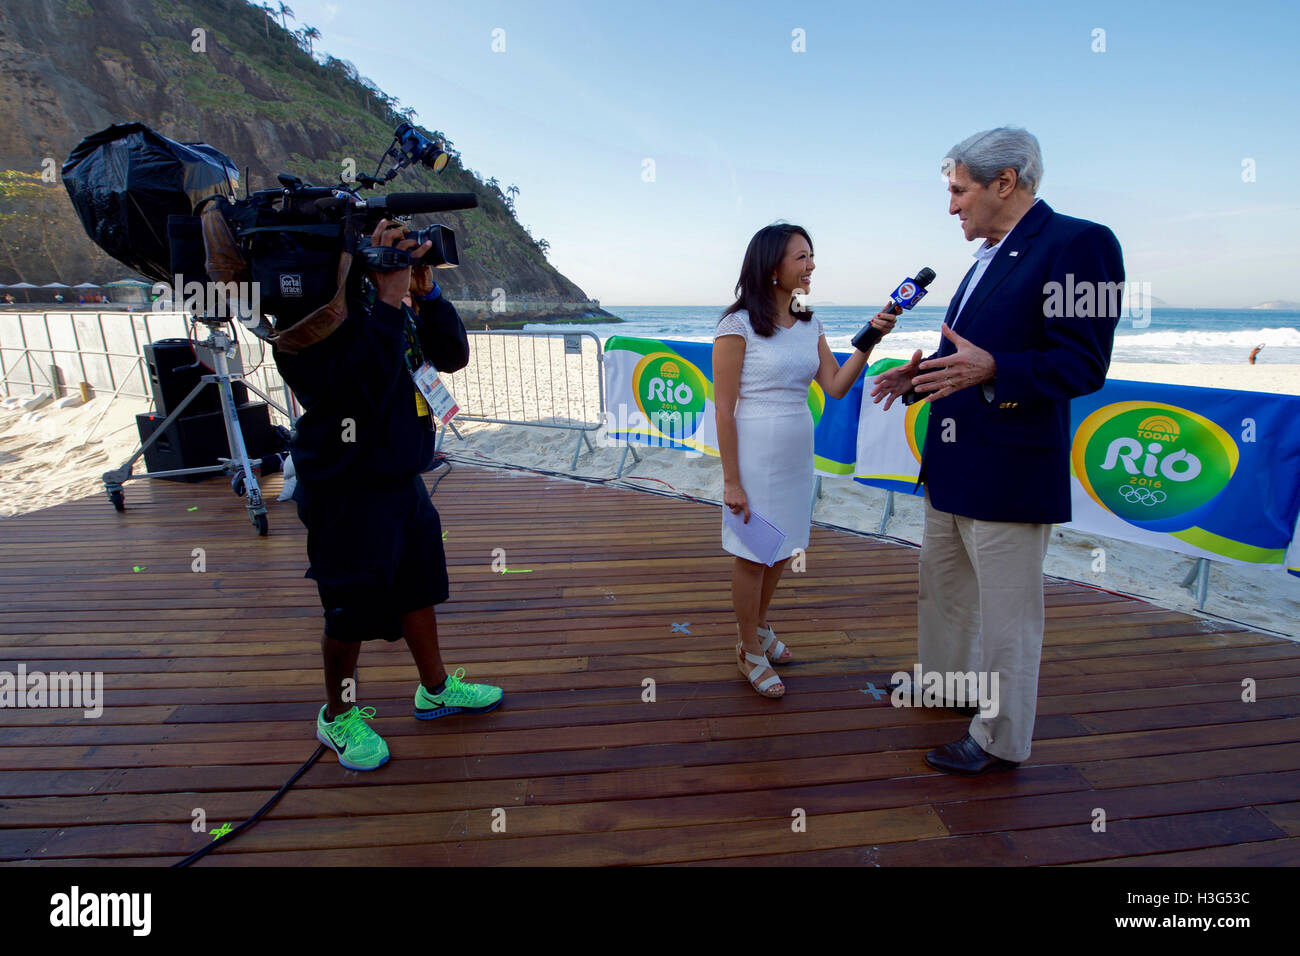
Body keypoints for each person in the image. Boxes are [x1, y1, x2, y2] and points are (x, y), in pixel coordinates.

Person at [871, 127, 1124, 774]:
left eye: (958, 191)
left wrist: (992, 371)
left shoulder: (1081, 243)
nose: (951, 206)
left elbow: (1082, 364)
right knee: (945, 591)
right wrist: (923, 377)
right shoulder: (991, 252)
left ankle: (998, 738)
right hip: (954, 460)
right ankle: (950, 687)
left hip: (1011, 468)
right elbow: (974, 354)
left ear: (1004, 182)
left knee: (1009, 616)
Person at [272, 219, 503, 771]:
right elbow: (358, 390)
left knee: (418, 588)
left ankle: (436, 689)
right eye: (387, 253)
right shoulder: (312, 322)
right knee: (348, 609)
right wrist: (389, 298)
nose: (398, 263)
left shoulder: (390, 305)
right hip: (344, 486)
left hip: (402, 476)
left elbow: (450, 358)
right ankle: (337, 716)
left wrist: (428, 293)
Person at [714, 223, 895, 698]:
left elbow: (834, 386)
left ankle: (760, 625)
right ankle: (747, 646)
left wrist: (869, 342)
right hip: (754, 452)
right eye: (801, 257)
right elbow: (724, 408)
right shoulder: (736, 325)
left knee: (782, 547)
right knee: (752, 553)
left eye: (811, 256)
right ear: (772, 266)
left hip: (796, 450)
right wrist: (731, 480)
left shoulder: (809, 319)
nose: (811, 265)